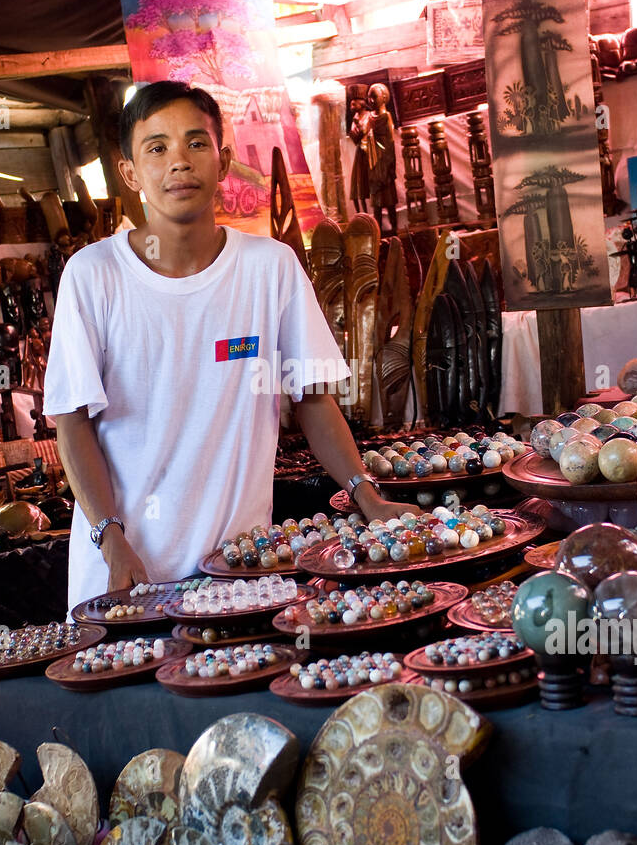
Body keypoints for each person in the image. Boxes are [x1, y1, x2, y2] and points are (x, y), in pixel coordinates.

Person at [44, 80, 413, 610]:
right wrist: (111, 537)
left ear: (223, 160)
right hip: (123, 575)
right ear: (130, 172)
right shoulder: (93, 276)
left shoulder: (271, 268)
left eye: (196, 143)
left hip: (239, 572)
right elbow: (72, 421)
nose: (179, 162)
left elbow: (312, 399)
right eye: (157, 147)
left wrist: (366, 494)